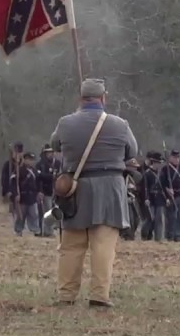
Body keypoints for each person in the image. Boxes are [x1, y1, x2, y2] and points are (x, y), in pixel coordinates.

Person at [50, 78, 139, 307]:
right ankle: (99, 295)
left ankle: (66, 295)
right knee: (103, 246)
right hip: (109, 189)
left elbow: (56, 144)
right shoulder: (120, 124)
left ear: (81, 98)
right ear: (103, 98)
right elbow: (132, 150)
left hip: (76, 189)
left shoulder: (65, 123)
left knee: (71, 246)